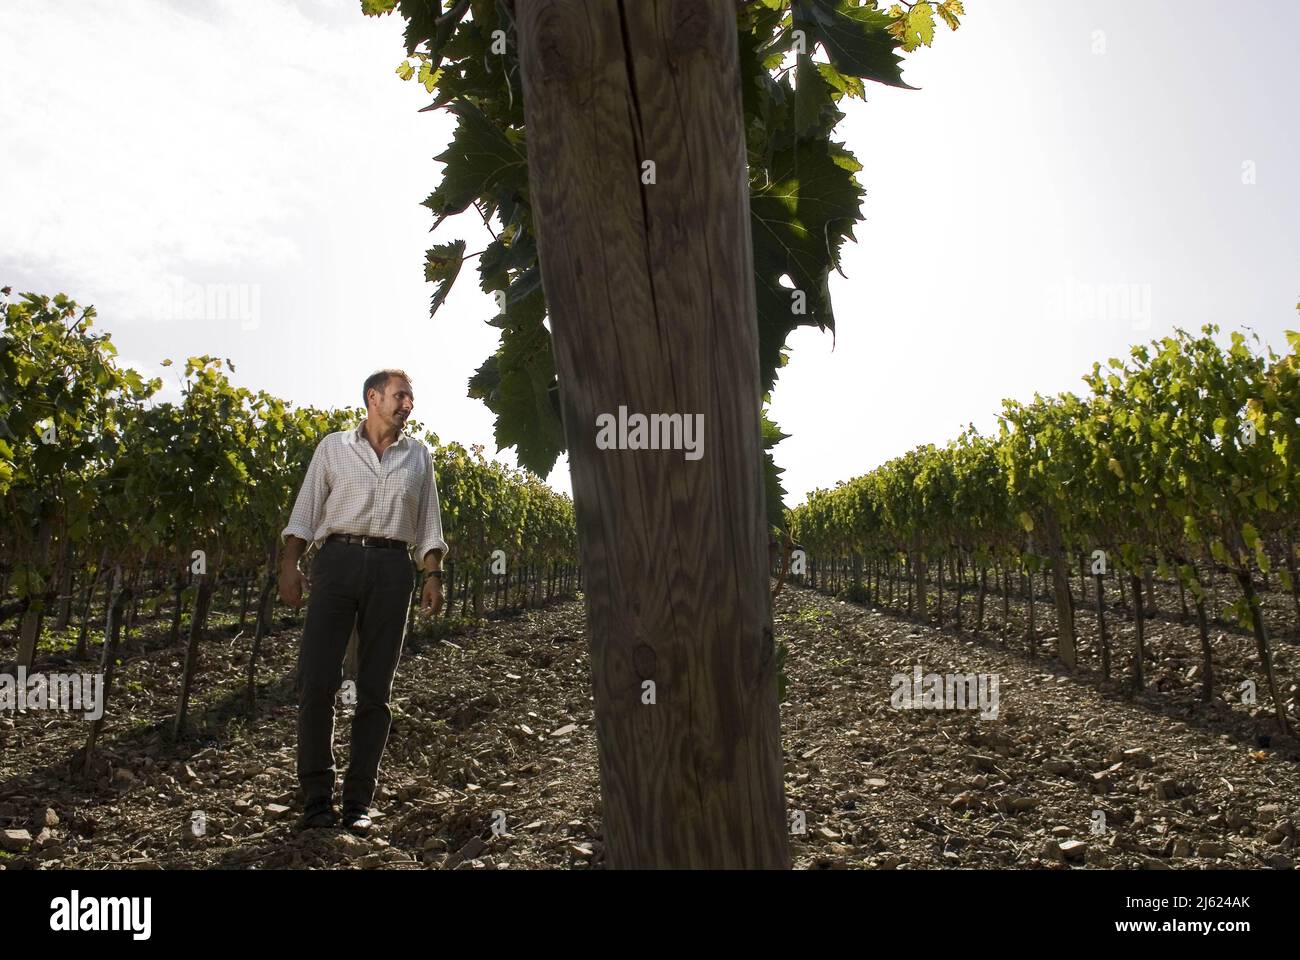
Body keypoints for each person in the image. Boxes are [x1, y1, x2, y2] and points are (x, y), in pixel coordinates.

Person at [278, 369, 447, 833]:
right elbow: (306, 512)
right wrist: (290, 565)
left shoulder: (420, 457)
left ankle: (357, 802)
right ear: (373, 398)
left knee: (375, 690)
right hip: (337, 563)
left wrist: (432, 574)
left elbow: (429, 523)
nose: (408, 404)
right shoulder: (333, 447)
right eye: (400, 396)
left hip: (393, 570)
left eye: (411, 397)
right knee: (317, 679)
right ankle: (316, 798)